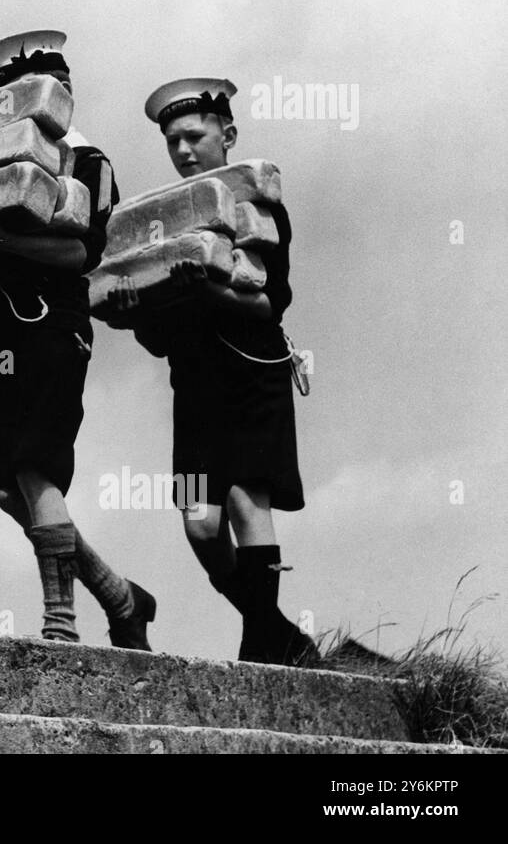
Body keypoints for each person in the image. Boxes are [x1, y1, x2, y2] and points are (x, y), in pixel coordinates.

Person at [0, 31, 154, 648]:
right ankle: (122, 599)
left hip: (57, 323)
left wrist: (2, 243)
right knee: (8, 489)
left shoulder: (86, 160)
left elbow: (80, 250)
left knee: (37, 469)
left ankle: (60, 624)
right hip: (5, 326)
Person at [107, 78, 318, 666]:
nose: (182, 152)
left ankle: (261, 650)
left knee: (250, 504)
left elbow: (270, 303)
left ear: (227, 134)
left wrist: (210, 292)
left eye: (193, 137)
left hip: (254, 371)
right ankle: (273, 626)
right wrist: (132, 315)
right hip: (196, 381)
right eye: (172, 141)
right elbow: (158, 337)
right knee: (201, 526)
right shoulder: (167, 222)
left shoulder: (260, 207)